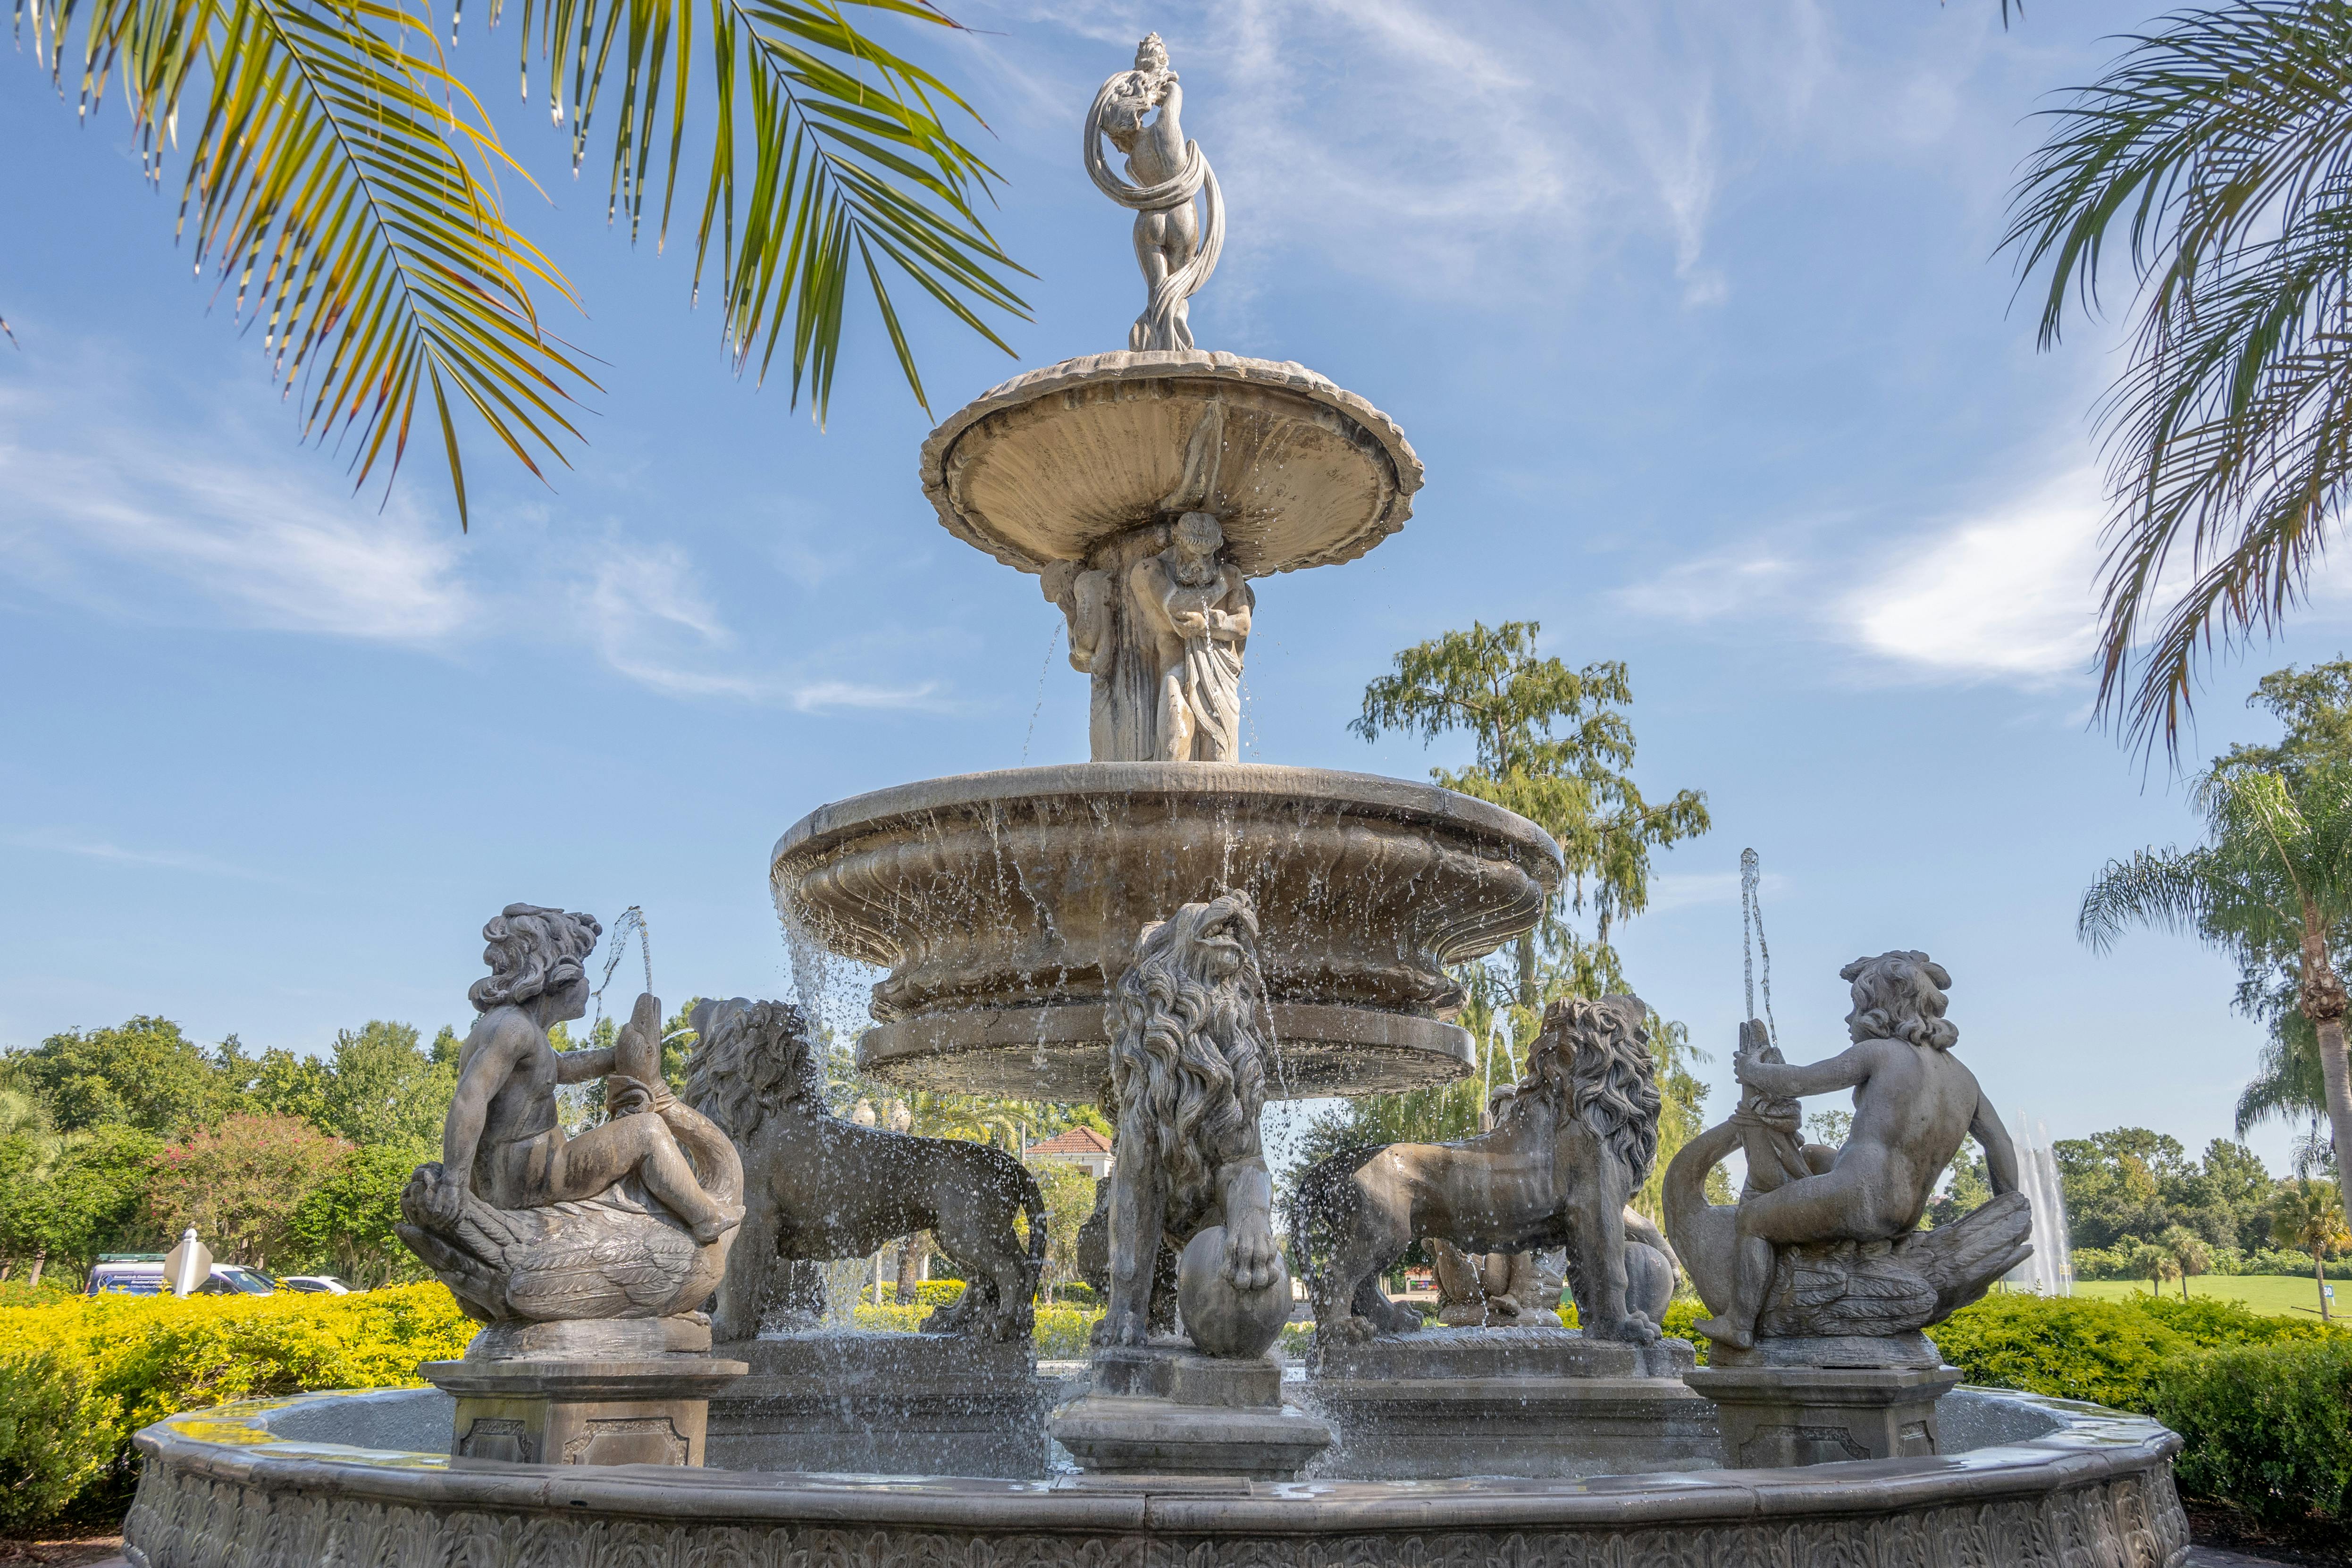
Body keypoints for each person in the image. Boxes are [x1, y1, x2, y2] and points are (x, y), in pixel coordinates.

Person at [1694, 950, 2018, 1351]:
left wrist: (1752, 1070)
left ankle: (1740, 1322)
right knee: (1813, 1154)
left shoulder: (1880, 1052)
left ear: (1879, 1008)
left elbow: (1800, 1081)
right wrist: (2009, 1205)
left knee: (1753, 1220)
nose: (1849, 1019)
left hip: (1859, 1197)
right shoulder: (1964, 1077)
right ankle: (1803, 1231)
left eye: (1856, 1007)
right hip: (1905, 1213)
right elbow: (1999, 1143)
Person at [414, 904, 743, 1244]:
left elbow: (563, 1068)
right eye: (584, 971)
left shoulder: (520, 1029)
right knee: (647, 1131)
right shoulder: (512, 1029)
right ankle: (705, 1217)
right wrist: (454, 1181)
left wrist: (618, 1057)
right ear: (559, 975)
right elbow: (470, 1098)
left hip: (528, 1170)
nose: (588, 983)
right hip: (529, 1177)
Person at [1129, 511, 1251, 761]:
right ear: (1177, 540)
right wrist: (1222, 587)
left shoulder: (1228, 572)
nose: (1200, 562)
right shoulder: (1151, 569)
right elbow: (1179, 607)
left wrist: (1206, 625)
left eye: (1207, 555)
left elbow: (1243, 626)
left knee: (1219, 757)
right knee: (1175, 744)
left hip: (1219, 676)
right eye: (1193, 553)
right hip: (1174, 670)